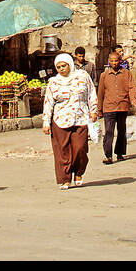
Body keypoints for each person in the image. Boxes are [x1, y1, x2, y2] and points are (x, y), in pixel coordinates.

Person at [43, 52, 98, 189]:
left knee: (80, 148)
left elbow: (91, 93)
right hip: (60, 120)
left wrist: (94, 110)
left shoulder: (82, 76)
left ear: (70, 64)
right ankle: (65, 179)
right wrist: (46, 122)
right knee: (62, 151)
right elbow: (48, 102)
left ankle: (78, 172)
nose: (62, 69)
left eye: (64, 66)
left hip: (80, 117)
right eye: (59, 67)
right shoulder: (53, 82)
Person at [97, 49, 136, 163]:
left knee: (121, 130)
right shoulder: (104, 76)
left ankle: (120, 153)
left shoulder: (126, 74)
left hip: (122, 106)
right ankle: (108, 155)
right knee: (109, 131)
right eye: (112, 61)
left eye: (116, 61)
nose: (114, 63)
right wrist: (99, 109)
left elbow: (132, 87)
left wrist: (133, 99)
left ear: (120, 61)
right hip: (108, 107)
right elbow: (100, 93)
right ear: (109, 62)